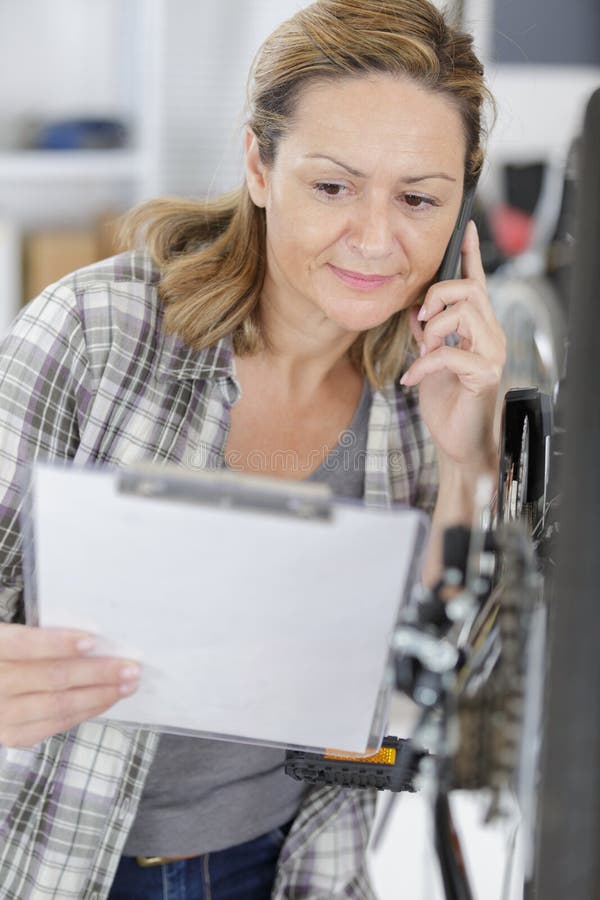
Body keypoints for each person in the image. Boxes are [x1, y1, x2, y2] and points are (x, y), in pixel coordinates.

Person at [0, 1, 505, 897]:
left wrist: (468, 465)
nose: (378, 240)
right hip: (53, 857)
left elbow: (433, 699)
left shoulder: (430, 394)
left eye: (419, 199)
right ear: (258, 166)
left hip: (287, 863)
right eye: (333, 186)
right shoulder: (92, 333)